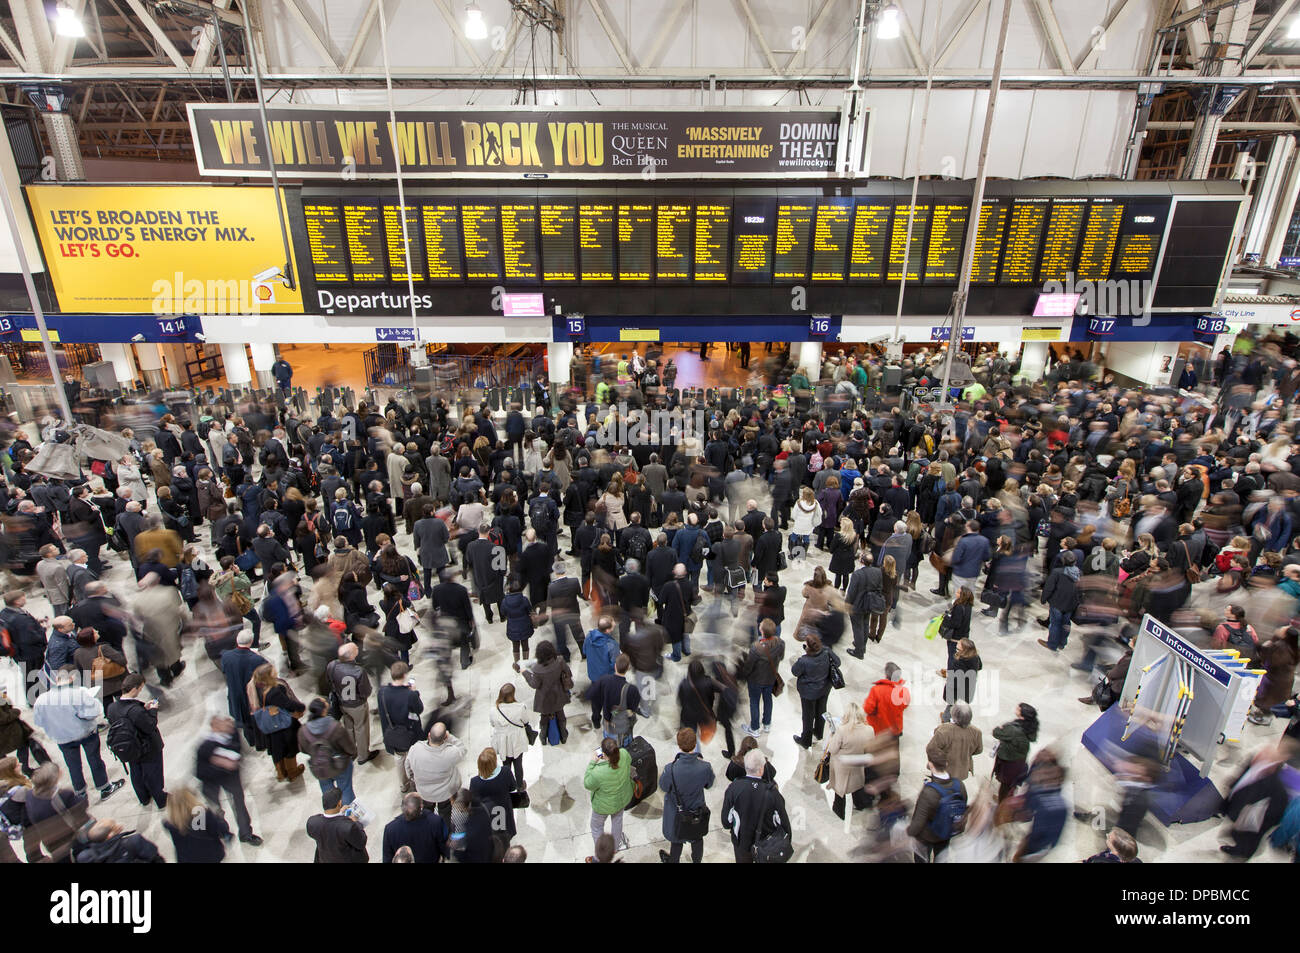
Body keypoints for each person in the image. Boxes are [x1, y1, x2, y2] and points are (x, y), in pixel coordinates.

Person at [31, 666, 124, 802]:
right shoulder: (79, 693)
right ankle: (104, 787)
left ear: (56, 679)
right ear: (72, 678)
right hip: (85, 734)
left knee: (73, 765)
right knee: (95, 760)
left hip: (62, 738)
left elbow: (38, 721)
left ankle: (80, 793)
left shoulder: (41, 700)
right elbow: (94, 712)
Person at [195, 714, 263, 846]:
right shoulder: (205, 747)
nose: (225, 725)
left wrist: (227, 762)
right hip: (212, 782)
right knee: (216, 810)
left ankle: (246, 834)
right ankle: (223, 832)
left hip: (232, 779)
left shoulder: (233, 734)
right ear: (214, 727)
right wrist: (220, 765)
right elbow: (199, 772)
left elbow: (238, 752)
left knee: (240, 806)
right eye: (220, 724)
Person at [106, 673, 167, 809]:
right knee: (153, 774)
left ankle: (144, 798)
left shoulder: (111, 708)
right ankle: (160, 799)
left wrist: (142, 708)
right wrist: (152, 711)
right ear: (134, 689)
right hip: (147, 748)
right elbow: (149, 725)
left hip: (129, 748)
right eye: (140, 688)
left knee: (136, 772)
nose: (140, 691)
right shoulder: (135, 711)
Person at [721, 747, 791, 863]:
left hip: (742, 844)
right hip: (767, 847)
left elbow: (726, 822)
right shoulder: (773, 793)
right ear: (761, 770)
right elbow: (784, 825)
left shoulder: (734, 788)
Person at [658, 726, 714, 863]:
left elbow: (664, 786)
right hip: (697, 811)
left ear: (679, 745)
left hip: (677, 812)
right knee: (697, 838)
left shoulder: (670, 769)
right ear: (695, 745)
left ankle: (674, 860)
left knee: (677, 840)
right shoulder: (705, 767)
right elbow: (709, 784)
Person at [248, 662, 306, 781]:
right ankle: (292, 771)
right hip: (282, 724)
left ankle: (280, 772)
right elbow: (288, 704)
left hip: (271, 725)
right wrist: (301, 707)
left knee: (277, 749)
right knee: (290, 749)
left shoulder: (256, 686)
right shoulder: (275, 691)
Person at [906, 753, 966, 863]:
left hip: (927, 836)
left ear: (930, 765)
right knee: (941, 858)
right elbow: (963, 806)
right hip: (946, 832)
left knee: (922, 859)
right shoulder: (959, 785)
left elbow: (919, 822)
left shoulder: (929, 792)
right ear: (946, 764)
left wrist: (909, 832)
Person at [299, 697, 358, 807]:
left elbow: (303, 749)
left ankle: (333, 816)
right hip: (340, 765)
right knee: (345, 790)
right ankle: (348, 818)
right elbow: (349, 748)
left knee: (328, 793)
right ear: (324, 711)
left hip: (319, 767)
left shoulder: (304, 730)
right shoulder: (335, 726)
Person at [405, 722, 466, 825]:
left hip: (424, 792)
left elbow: (408, 767)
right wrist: (450, 736)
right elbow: (463, 749)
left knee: (427, 813)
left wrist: (414, 779)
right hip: (445, 793)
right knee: (445, 814)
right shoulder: (450, 753)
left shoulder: (415, 749)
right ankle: (444, 831)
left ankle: (429, 829)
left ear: (429, 735)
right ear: (444, 738)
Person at [378, 661, 424, 793]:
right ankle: (415, 782)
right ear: (405, 675)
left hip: (393, 733)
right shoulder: (410, 695)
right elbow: (419, 709)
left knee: (399, 759)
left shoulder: (382, 692)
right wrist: (415, 693)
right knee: (413, 758)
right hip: (410, 733)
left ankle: (403, 784)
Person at [326, 642, 375, 764]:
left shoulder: (332, 665)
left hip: (342, 703)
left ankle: (351, 752)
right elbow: (366, 691)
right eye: (355, 649)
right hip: (357, 705)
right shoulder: (359, 671)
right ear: (352, 656)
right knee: (361, 728)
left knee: (348, 726)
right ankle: (363, 755)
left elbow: (329, 681)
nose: (357, 648)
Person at [824, 702, 875, 818]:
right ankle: (861, 804)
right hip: (858, 764)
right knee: (857, 787)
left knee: (840, 792)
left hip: (842, 766)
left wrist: (832, 736)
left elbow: (832, 749)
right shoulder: (869, 730)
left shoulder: (841, 730)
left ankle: (839, 813)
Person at [583, 736, 632, 854]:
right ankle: (615, 847)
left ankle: (602, 854)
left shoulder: (598, 772)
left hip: (603, 806)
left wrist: (592, 763)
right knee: (617, 820)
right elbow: (628, 761)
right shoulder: (624, 754)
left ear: (604, 755)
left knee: (596, 827)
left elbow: (587, 784)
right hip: (621, 799)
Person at [791, 632, 838, 749]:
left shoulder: (804, 661)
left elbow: (794, 671)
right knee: (821, 710)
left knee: (808, 716)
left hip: (809, 693)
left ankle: (806, 740)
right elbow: (838, 662)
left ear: (808, 647)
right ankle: (818, 732)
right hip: (824, 688)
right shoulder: (826, 651)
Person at [522, 639, 573, 745]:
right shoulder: (559, 661)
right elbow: (568, 672)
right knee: (560, 715)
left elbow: (534, 684)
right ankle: (564, 737)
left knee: (544, 718)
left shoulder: (536, 669)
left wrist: (525, 673)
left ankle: (543, 738)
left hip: (544, 699)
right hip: (559, 695)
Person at [739, 618, 784, 736]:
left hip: (756, 680)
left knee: (754, 702)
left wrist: (744, 674)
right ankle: (767, 724)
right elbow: (781, 657)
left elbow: (749, 666)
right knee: (768, 700)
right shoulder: (780, 643)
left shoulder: (756, 647)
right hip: (770, 678)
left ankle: (754, 728)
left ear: (762, 631)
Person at [164, 786, 232, 863]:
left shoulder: (170, 824)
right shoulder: (203, 816)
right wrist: (219, 818)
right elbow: (219, 830)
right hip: (210, 856)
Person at [306, 787, 368, 863]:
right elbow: (361, 842)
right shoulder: (348, 827)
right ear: (339, 803)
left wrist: (340, 813)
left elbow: (327, 826)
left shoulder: (312, 822)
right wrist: (356, 823)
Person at [382, 792, 448, 863]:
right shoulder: (435, 822)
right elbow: (443, 845)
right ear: (421, 806)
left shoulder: (390, 829)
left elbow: (387, 857)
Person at [992, 703, 1039, 801]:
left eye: (1018, 708)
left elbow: (996, 732)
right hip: (1020, 761)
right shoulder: (1029, 726)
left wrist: (1000, 727)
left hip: (1009, 762)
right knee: (1012, 785)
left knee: (1005, 786)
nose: (1016, 709)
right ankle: (1007, 800)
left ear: (1022, 714)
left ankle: (1003, 805)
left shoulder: (1013, 729)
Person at [470, 747, 517, 844]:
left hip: (487, 819)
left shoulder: (475, 782)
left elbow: (474, 803)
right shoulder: (506, 772)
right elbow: (513, 787)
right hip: (504, 815)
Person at [925, 702, 983, 781]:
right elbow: (979, 750)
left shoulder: (944, 730)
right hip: (962, 770)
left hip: (943, 770)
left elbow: (931, 748)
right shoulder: (976, 732)